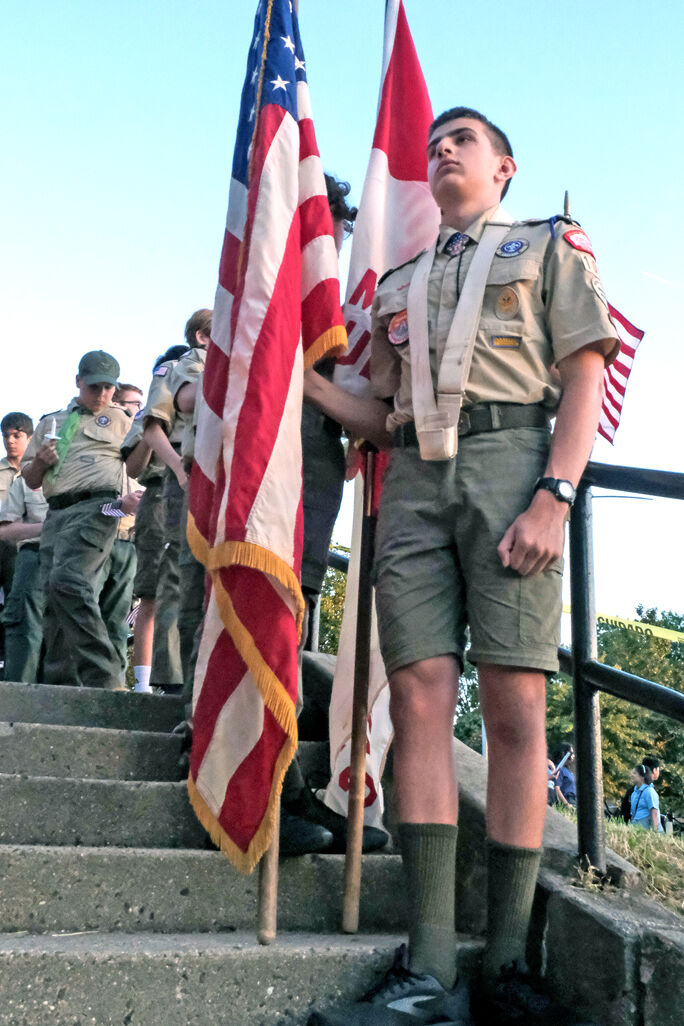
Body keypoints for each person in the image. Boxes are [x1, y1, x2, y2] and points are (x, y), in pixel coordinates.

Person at [304, 107, 617, 1026]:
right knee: (418, 699)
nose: (441, 151)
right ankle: (430, 969)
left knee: (518, 703)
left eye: (462, 142)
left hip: (512, 463)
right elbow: (378, 413)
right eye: (433, 143)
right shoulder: (399, 282)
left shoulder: (546, 246)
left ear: (505, 167)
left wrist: (555, 495)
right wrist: (303, 380)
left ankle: (510, 964)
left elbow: (587, 368)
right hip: (412, 484)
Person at [22, 351, 141, 689]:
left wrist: (128, 505)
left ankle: (104, 675)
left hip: (99, 507)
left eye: (108, 388)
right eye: (94, 387)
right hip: (56, 513)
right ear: (78, 382)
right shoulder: (51, 422)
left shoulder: (122, 419)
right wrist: (42, 461)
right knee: (54, 598)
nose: (102, 395)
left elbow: (138, 465)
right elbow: (31, 480)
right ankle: (61, 685)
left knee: (69, 583)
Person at [140, 311, 211, 692]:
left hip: (221, 473)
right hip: (185, 472)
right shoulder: (177, 367)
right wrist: (179, 472)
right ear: (202, 336)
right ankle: (171, 677)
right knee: (177, 572)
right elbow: (153, 427)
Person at [122, 346, 189, 693]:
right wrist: (153, 427)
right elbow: (133, 468)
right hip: (160, 495)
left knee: (188, 586)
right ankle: (144, 683)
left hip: (197, 491)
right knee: (152, 591)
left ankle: (183, 674)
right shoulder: (149, 412)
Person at [0, 471, 48, 681]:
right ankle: (19, 697)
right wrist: (48, 527)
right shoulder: (24, 482)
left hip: (80, 556)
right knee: (24, 627)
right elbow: (5, 530)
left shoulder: (94, 473)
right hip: (31, 555)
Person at [0, 412, 34, 667]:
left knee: (21, 605)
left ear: (29, 438)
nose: (10, 441)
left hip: (29, 547)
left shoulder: (40, 473)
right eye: (6, 436)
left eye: (17, 435)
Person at [630, 763, 664, 832]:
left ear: (642, 776)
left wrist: (655, 831)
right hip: (638, 831)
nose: (631, 775)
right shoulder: (634, 793)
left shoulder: (649, 791)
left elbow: (654, 811)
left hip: (649, 832)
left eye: (634, 773)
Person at [552, 743, 577, 808]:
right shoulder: (559, 769)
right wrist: (566, 804)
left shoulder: (568, 771)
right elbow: (556, 789)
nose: (574, 755)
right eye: (572, 753)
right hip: (567, 800)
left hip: (574, 800)